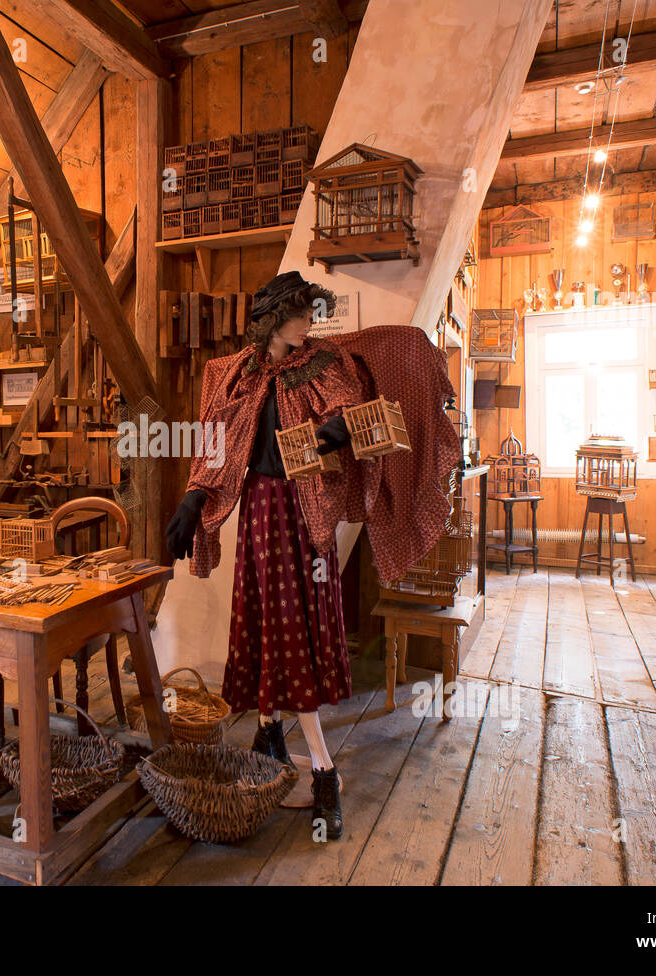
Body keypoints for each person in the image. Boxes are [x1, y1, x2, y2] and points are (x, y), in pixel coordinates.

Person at [165, 271, 366, 838]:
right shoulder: (234, 375)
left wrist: (334, 431)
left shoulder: (324, 365)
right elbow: (217, 444)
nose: (312, 323)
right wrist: (192, 497)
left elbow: (352, 411)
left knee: (297, 627)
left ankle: (319, 765)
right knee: (267, 622)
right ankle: (272, 732)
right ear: (278, 319)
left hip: (304, 514)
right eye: (303, 314)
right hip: (258, 512)